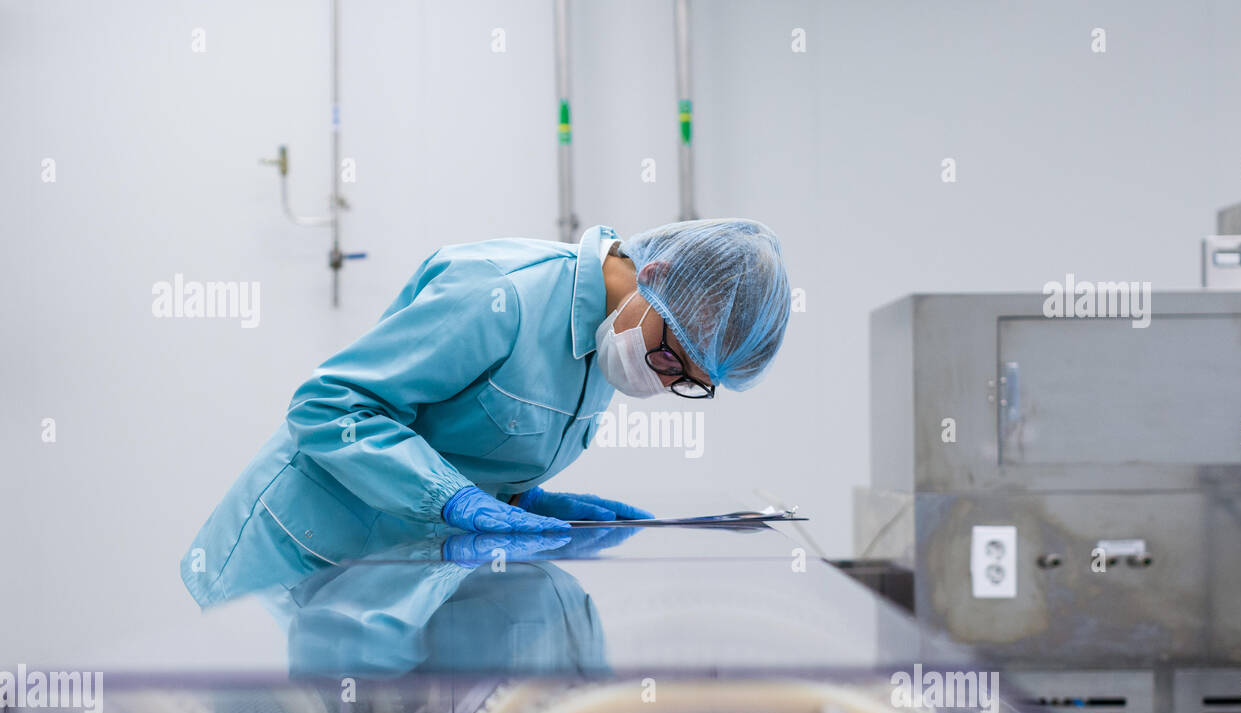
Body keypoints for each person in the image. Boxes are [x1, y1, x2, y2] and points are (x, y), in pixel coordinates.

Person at [180, 218, 791, 607]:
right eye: (669, 355)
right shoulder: (501, 293)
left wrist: (520, 501)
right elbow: (328, 406)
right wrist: (453, 500)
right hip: (292, 566)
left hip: (370, 587)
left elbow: (462, 435)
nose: (661, 380)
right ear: (652, 277)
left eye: (688, 382)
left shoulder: (614, 336)